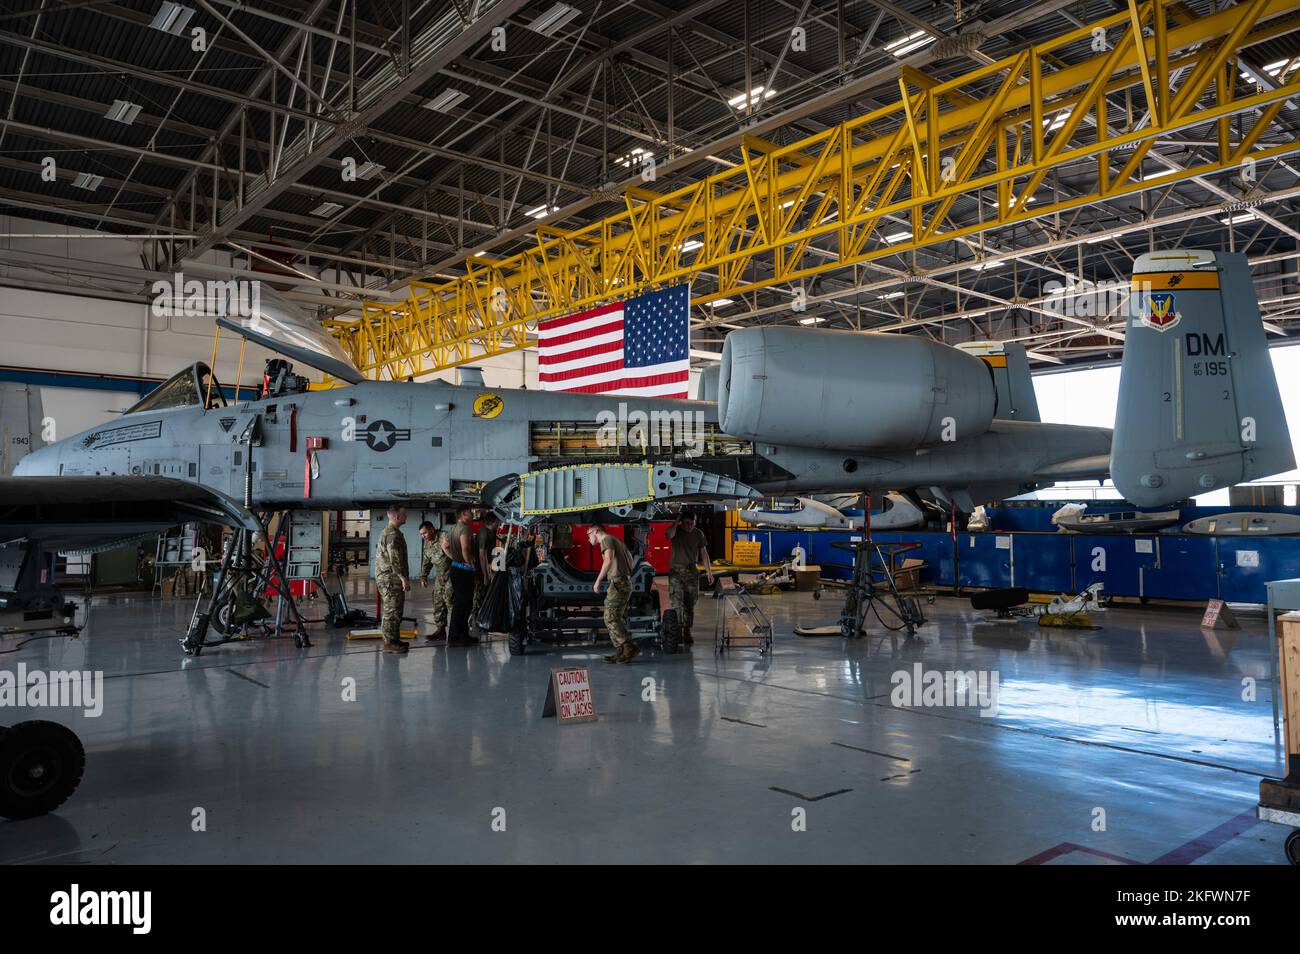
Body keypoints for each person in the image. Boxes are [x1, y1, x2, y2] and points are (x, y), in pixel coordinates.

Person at [665, 510, 713, 647]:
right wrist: (676, 521)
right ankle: (678, 631)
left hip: (692, 571)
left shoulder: (698, 533)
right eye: (687, 523)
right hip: (676, 571)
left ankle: (687, 630)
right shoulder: (676, 531)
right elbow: (668, 534)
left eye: (692, 523)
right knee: (677, 602)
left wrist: (709, 571)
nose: (690, 526)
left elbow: (703, 552)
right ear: (682, 522)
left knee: (690, 603)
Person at [590, 525, 637, 664]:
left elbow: (608, 560)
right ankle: (621, 652)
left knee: (610, 618)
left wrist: (598, 581)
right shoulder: (616, 540)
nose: (588, 538)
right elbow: (630, 558)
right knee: (615, 617)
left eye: (589, 534)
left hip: (618, 583)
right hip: (622, 582)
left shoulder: (606, 539)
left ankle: (628, 647)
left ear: (596, 531)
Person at [374, 504, 410, 654]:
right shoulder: (392, 535)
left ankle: (394, 639)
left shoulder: (393, 532)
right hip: (390, 578)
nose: (406, 516)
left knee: (396, 609)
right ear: (396, 517)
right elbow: (395, 560)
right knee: (392, 610)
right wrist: (403, 578)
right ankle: (389, 642)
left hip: (391, 577)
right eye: (404, 514)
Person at [443, 505, 478, 646]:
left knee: (463, 604)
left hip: (455, 568)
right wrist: (469, 563)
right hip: (463, 571)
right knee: (463, 604)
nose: (472, 514)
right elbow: (465, 548)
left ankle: (462, 635)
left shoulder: (452, 529)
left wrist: (454, 558)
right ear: (463, 514)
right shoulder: (465, 529)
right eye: (470, 512)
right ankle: (454, 637)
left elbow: (444, 546)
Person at [418, 520, 452, 643]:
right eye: (421, 534)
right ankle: (440, 631)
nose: (423, 536)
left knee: (451, 602)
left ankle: (456, 631)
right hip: (440, 577)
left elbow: (456, 553)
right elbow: (426, 560)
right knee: (438, 603)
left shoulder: (444, 536)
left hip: (451, 575)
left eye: (425, 533)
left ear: (432, 530)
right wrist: (423, 576)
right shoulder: (427, 543)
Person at [471, 511, 500, 628]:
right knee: (478, 596)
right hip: (479, 570)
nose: (500, 523)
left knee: (484, 595)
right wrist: (485, 575)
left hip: (487, 567)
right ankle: (474, 621)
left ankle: (483, 620)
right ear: (492, 521)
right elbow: (481, 555)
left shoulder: (491, 532)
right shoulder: (484, 533)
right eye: (498, 521)